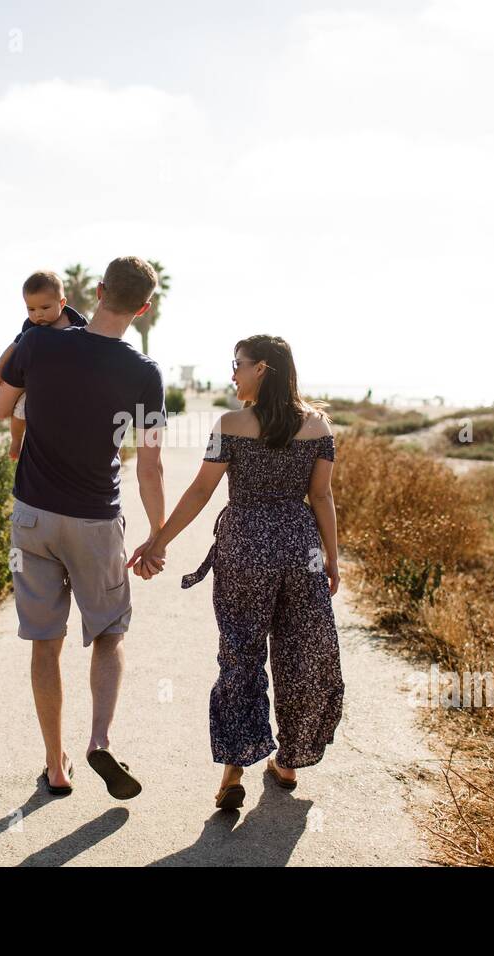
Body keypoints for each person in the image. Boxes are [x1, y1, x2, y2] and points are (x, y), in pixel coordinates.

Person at [129, 334, 345, 810]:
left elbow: (202, 491)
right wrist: (331, 557)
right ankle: (288, 762)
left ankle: (233, 770)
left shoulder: (231, 423)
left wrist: (157, 540)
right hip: (299, 547)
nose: (232, 374)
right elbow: (322, 497)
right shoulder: (319, 427)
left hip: (244, 547)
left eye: (238, 365)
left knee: (240, 654)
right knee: (302, 655)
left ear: (262, 368)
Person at [0, 255, 166, 800]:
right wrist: (157, 534)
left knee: (45, 641)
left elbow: (2, 407)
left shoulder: (39, 343)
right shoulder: (144, 373)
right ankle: (98, 741)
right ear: (143, 307)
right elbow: (152, 463)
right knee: (109, 631)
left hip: (33, 516)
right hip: (94, 519)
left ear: (96, 291)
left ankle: (55, 765)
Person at [0, 270, 89, 462]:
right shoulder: (31, 327)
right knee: (20, 409)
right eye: (31, 309)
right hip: (34, 381)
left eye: (44, 307)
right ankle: (16, 440)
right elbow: (14, 345)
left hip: (66, 381)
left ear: (62, 303)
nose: (38, 314)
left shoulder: (78, 323)